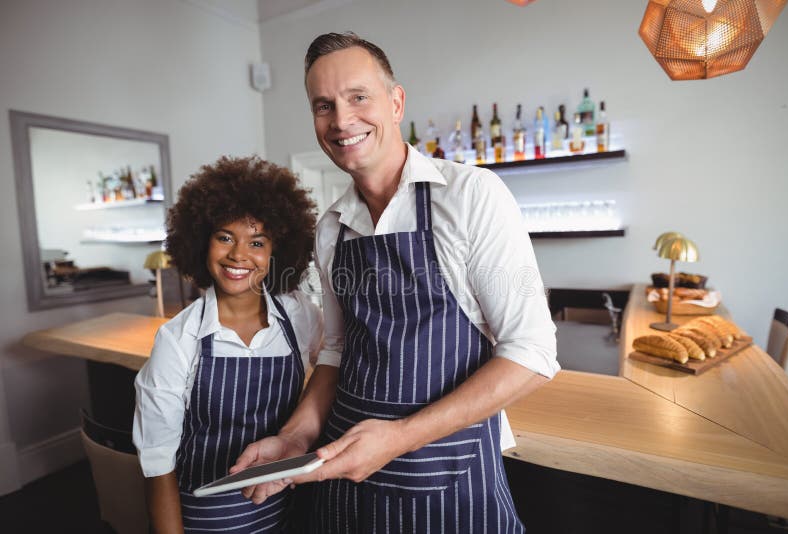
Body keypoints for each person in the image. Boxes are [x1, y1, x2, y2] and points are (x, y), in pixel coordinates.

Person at [232, 32, 559, 532]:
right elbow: (337, 351)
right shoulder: (331, 228)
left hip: (447, 477)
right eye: (323, 106)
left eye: (358, 97)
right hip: (343, 474)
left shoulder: (472, 196)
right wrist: (296, 439)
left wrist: (400, 437)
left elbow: (531, 354)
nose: (341, 121)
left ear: (396, 101)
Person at [133, 156, 323, 533]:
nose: (239, 255)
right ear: (201, 242)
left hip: (288, 509)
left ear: (276, 251)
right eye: (225, 237)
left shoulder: (298, 314)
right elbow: (158, 467)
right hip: (210, 522)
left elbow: (335, 365)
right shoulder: (178, 340)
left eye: (256, 241)